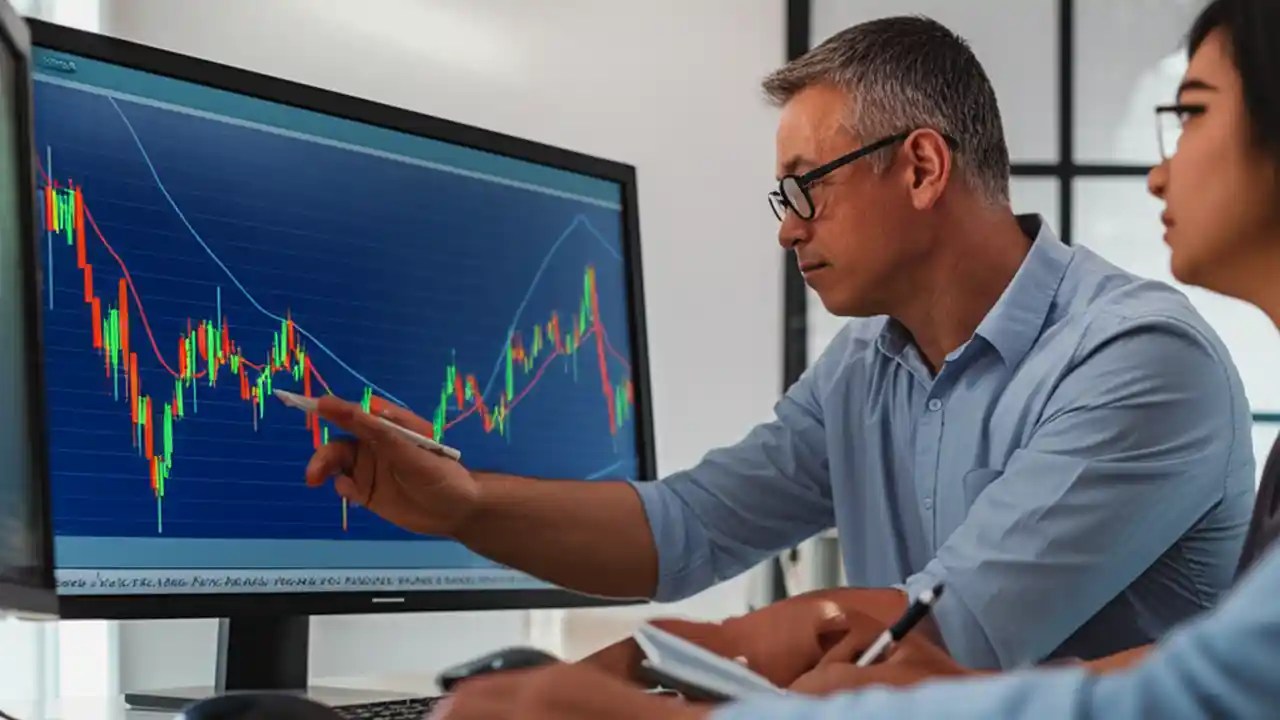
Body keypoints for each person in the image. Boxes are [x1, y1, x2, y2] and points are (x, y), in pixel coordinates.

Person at [308, 14, 1255, 684]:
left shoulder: (1135, 358)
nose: (787, 229)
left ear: (921, 166)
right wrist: (468, 504)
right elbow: (683, 531)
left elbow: (943, 637)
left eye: (807, 186)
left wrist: (637, 670)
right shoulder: (867, 366)